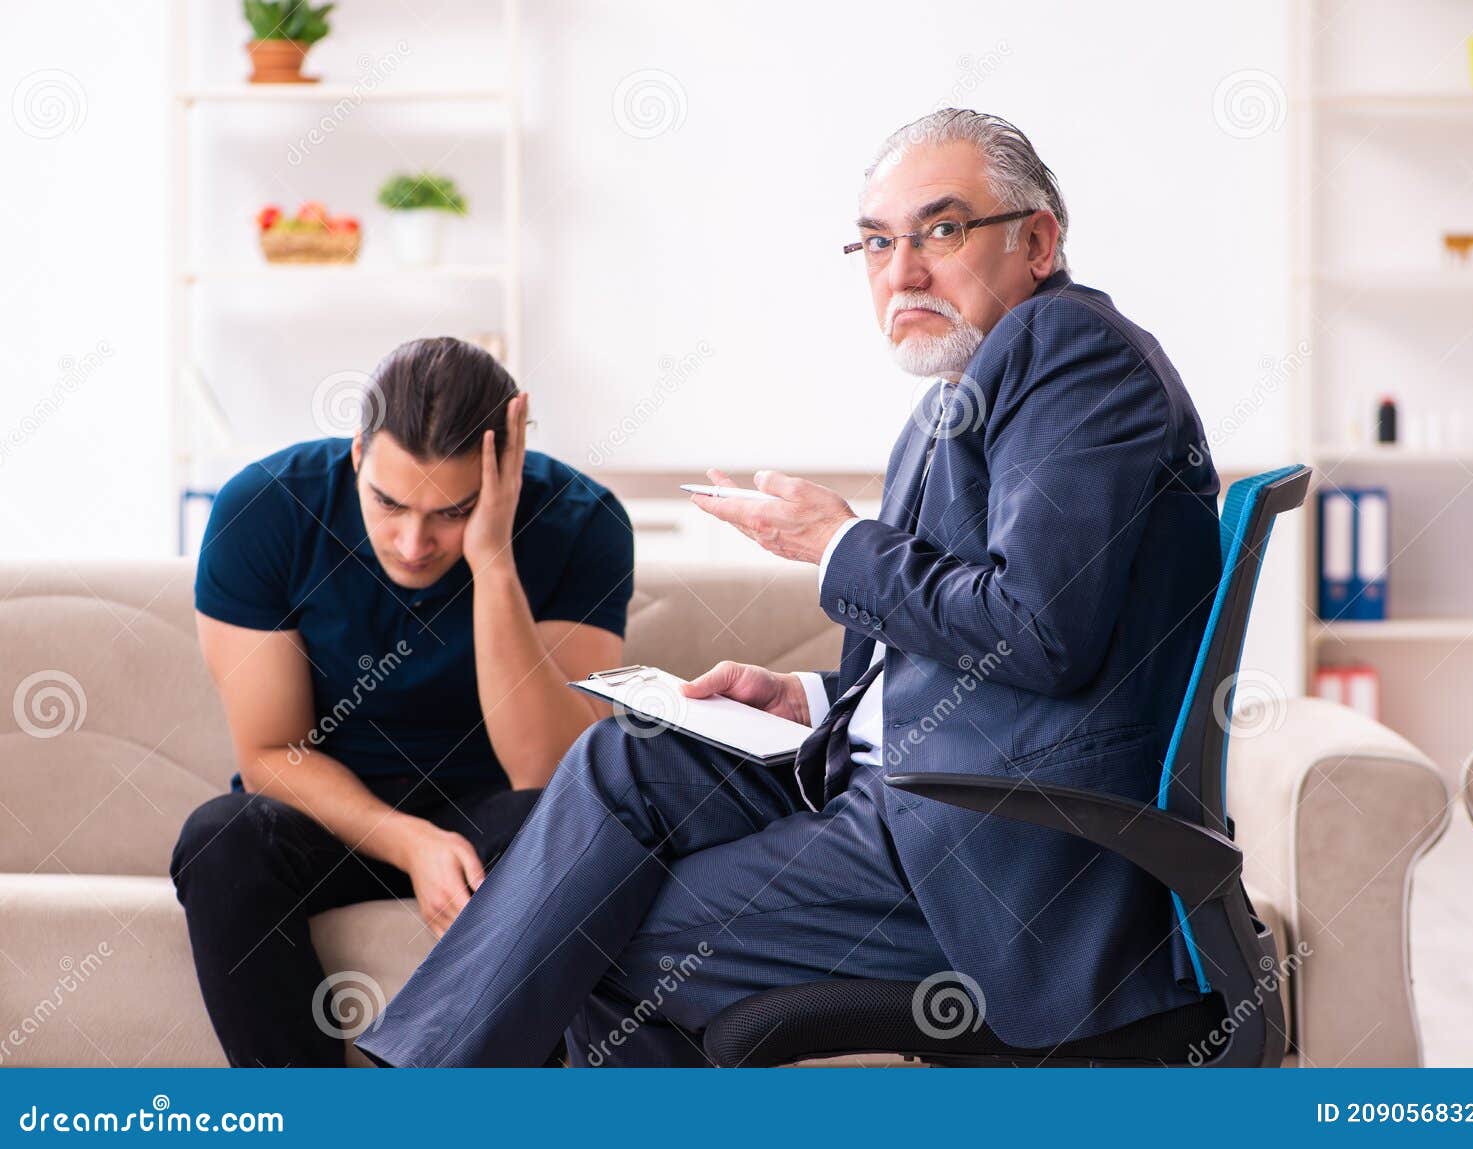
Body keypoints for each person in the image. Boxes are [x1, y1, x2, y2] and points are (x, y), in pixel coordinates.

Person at [356, 109, 1222, 1067]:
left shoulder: (1071, 352)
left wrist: (838, 541)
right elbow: (971, 638)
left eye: (941, 230)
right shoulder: (953, 400)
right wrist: (815, 698)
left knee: (590, 930)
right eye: (878, 242)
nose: (904, 271)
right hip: (905, 787)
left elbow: (1039, 628)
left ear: (1039, 241)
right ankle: (412, 1089)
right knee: (627, 759)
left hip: (990, 851)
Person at [169, 336, 633, 1066]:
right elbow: (270, 754)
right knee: (222, 840)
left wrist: (492, 558)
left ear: (501, 479)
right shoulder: (264, 509)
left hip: (495, 812)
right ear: (357, 453)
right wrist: (411, 842)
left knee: (562, 841)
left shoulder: (581, 521)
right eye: (388, 502)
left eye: (452, 511)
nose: (413, 542)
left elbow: (548, 770)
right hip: (331, 813)